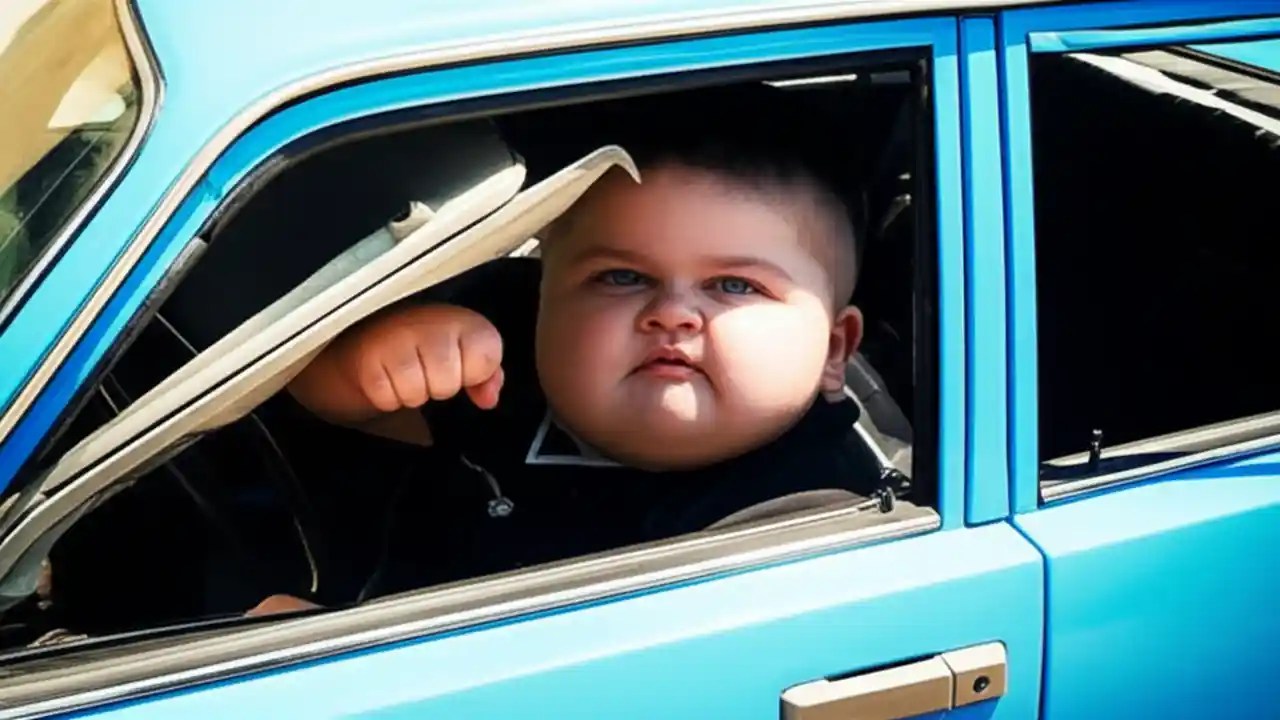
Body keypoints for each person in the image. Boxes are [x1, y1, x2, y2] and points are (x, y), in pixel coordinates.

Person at [247, 119, 881, 615]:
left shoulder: (814, 516)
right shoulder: (507, 349)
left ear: (832, 351)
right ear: (545, 293)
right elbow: (320, 397)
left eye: (736, 286)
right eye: (623, 276)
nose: (672, 314)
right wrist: (368, 360)